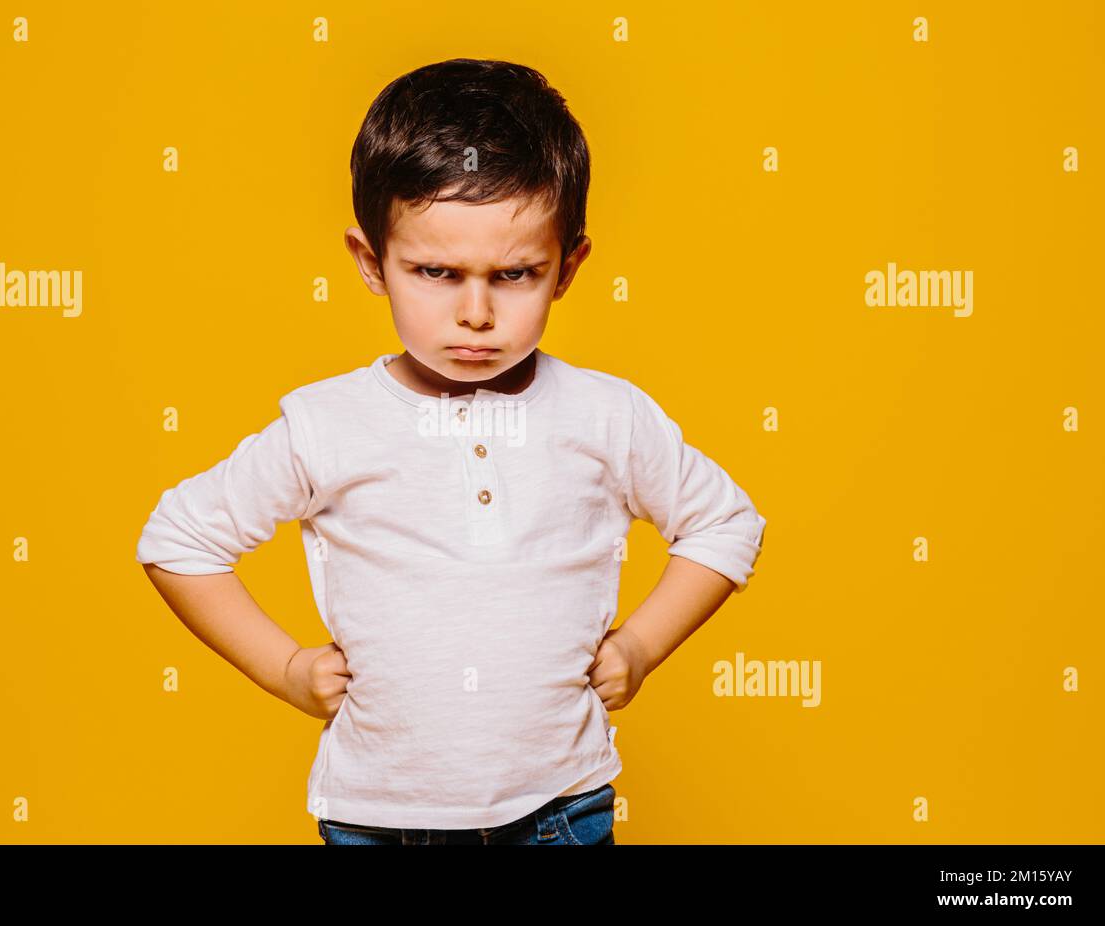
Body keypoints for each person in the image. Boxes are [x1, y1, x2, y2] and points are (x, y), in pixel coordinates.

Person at [135, 58, 766, 845]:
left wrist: (639, 646)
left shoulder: (606, 416)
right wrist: (287, 669)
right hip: (378, 819)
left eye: (515, 274)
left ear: (567, 268)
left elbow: (724, 522)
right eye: (436, 272)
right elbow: (179, 539)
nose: (476, 313)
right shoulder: (328, 424)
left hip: (560, 811)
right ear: (372, 263)